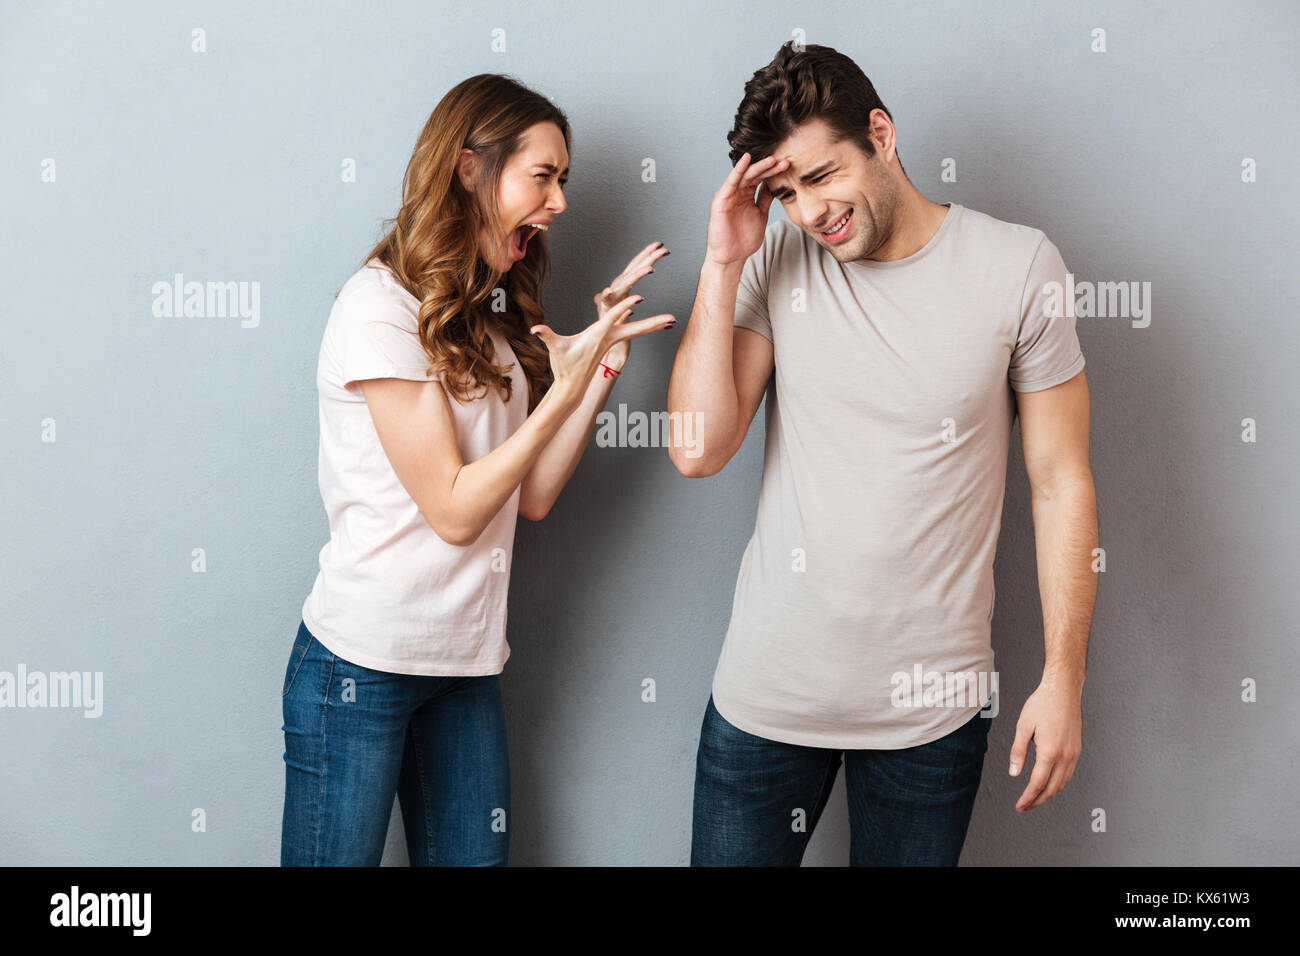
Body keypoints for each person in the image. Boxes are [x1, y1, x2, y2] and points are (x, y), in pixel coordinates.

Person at [667, 42, 1097, 866]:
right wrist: (725, 262)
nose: (808, 212)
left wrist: (1062, 678)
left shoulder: (1019, 266)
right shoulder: (775, 258)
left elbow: (1060, 481)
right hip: (767, 700)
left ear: (881, 133)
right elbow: (696, 450)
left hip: (932, 715)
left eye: (823, 176)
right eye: (786, 192)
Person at [281, 73, 673, 866]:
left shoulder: (493, 327)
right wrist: (556, 398)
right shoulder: (380, 309)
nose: (559, 201)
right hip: (361, 668)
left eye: (564, 180)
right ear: (469, 169)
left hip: (465, 666)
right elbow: (457, 510)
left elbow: (526, 499)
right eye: (544, 175)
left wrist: (598, 370)